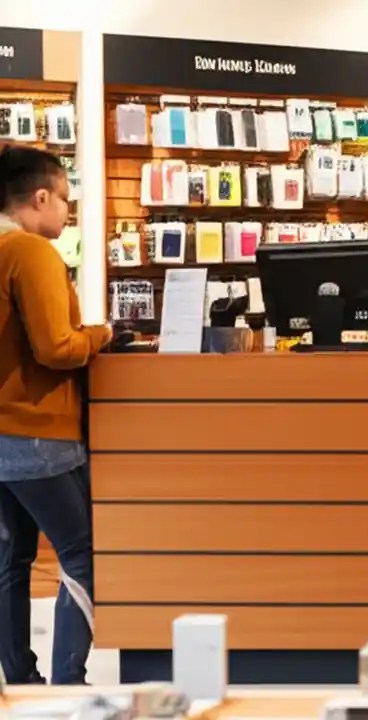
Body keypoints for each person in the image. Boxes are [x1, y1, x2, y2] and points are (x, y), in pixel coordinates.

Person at [0, 146, 111, 684]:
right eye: (66, 199)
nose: (69, 211)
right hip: (40, 430)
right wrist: (103, 335)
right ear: (40, 196)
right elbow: (56, 348)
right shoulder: (33, 252)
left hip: (2, 435)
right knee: (82, 554)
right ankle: (69, 681)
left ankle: (20, 678)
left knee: (12, 559)